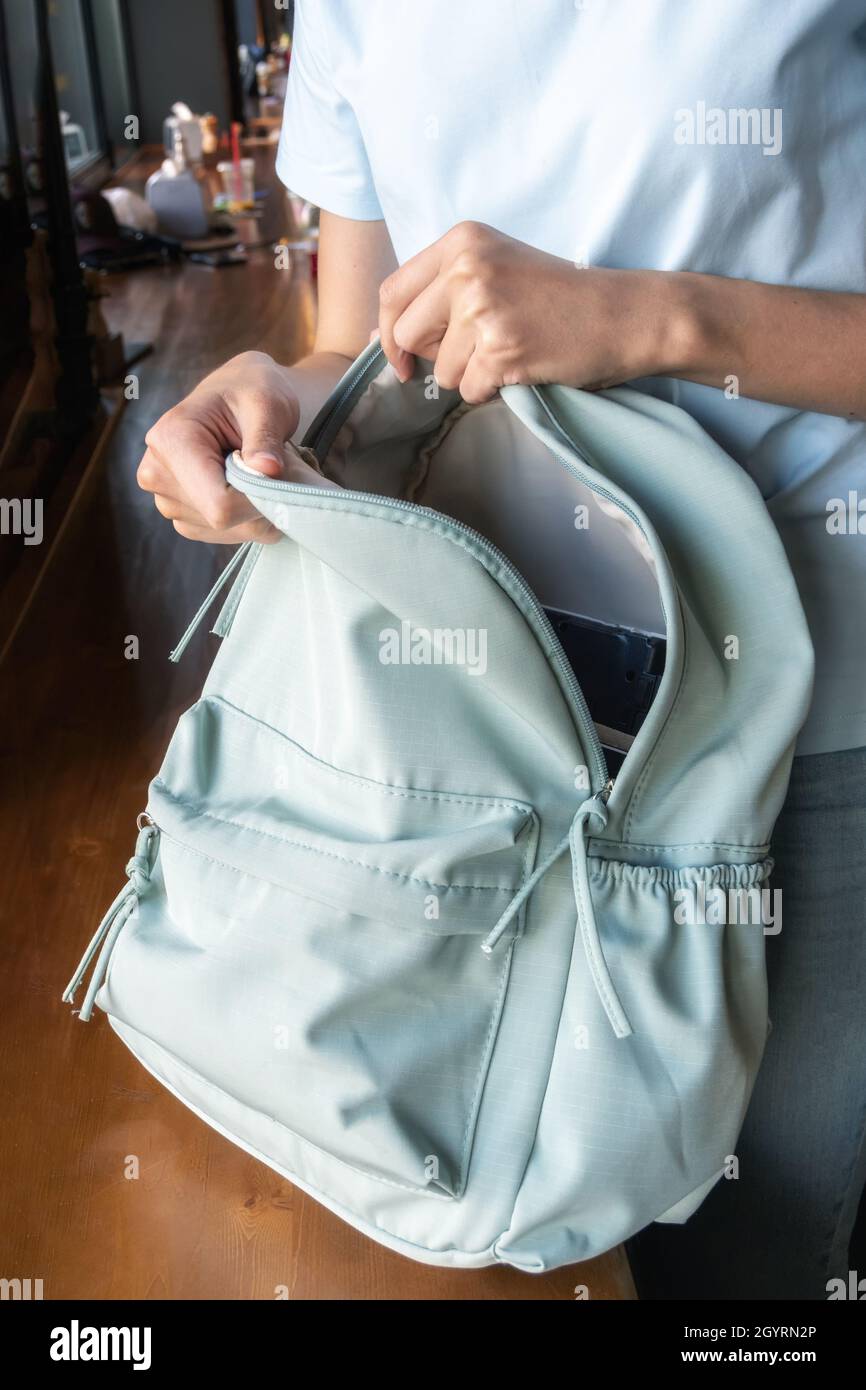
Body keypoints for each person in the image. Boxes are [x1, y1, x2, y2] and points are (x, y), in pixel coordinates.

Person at [136, 1, 866, 1299]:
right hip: (462, 701)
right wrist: (260, 409)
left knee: (754, 1250)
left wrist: (663, 319)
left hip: (799, 713)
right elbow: (347, 348)